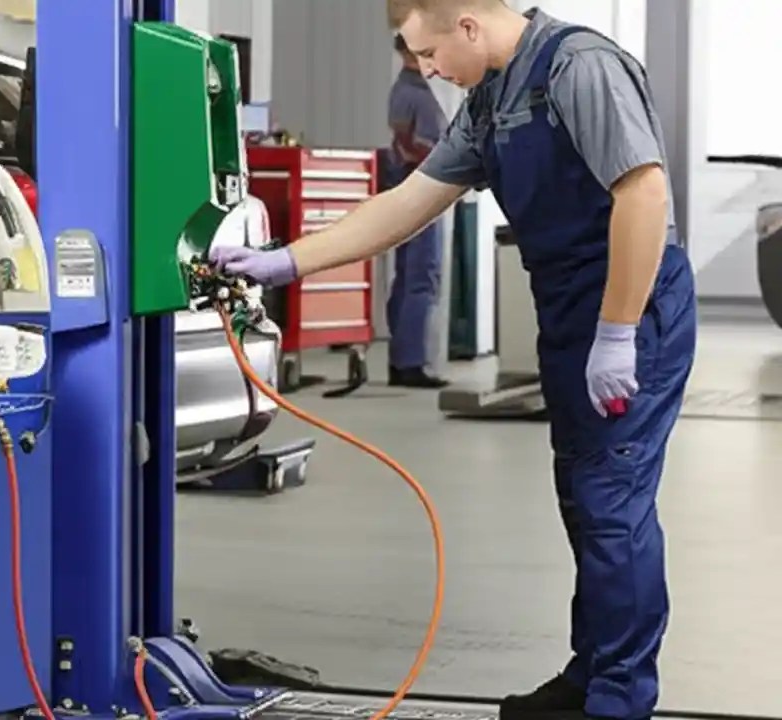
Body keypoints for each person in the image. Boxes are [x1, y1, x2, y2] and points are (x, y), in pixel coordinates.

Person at [210, 3, 697, 720]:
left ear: (467, 24)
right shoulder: (491, 100)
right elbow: (407, 203)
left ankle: (619, 700)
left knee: (611, 506)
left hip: (632, 305)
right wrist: (286, 260)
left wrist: (619, 331)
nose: (426, 70)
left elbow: (643, 192)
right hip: (568, 310)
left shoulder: (580, 68)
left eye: (427, 53)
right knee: (585, 500)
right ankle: (592, 674)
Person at [386, 32, 451, 388]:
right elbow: (409, 146)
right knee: (422, 274)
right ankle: (409, 362)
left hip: (411, 185)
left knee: (409, 273)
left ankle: (402, 359)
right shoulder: (414, 92)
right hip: (421, 187)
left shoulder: (412, 89)